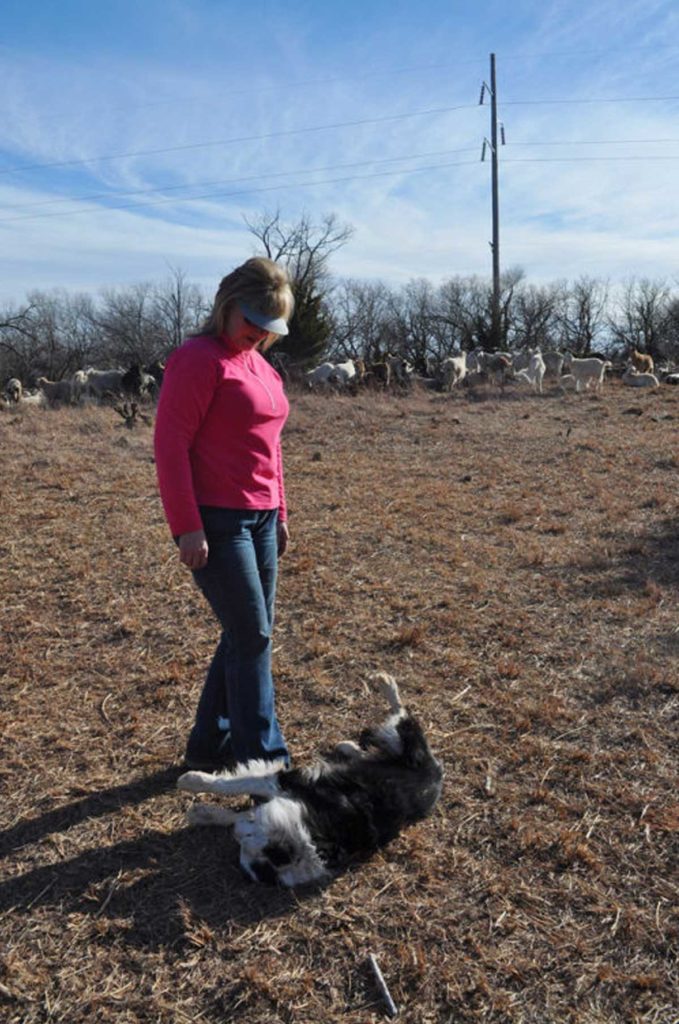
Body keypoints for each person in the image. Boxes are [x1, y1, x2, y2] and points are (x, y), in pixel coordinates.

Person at [154, 256, 295, 771]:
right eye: (251, 319)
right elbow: (170, 446)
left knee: (246, 633)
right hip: (217, 519)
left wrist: (280, 510)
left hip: (260, 516)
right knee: (252, 635)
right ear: (226, 304)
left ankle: (208, 750)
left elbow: (271, 445)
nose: (258, 332)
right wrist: (186, 526)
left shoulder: (261, 365)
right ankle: (263, 761)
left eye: (268, 324)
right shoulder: (198, 359)